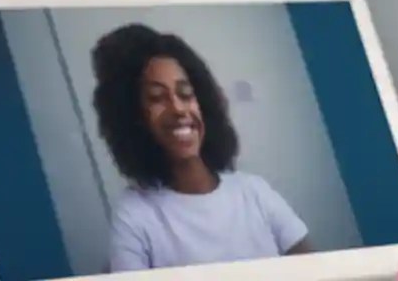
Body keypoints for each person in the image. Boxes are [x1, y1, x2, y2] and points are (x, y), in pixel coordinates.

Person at [91, 23, 313, 272]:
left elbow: (319, 271)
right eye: (156, 97)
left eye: (185, 94)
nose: (178, 108)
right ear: (135, 118)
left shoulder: (254, 191)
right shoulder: (135, 213)